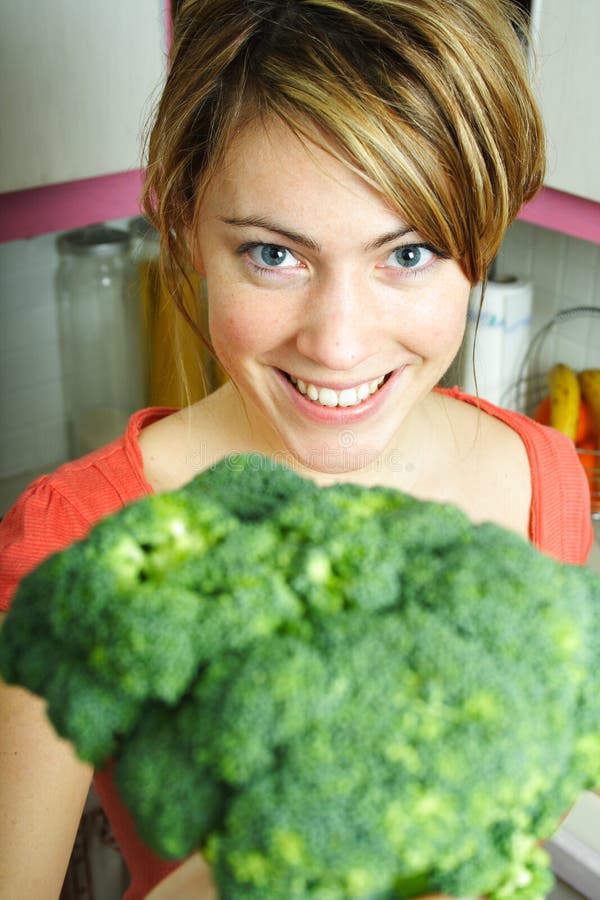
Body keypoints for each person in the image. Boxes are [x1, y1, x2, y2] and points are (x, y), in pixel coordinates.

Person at [0, 1, 593, 898]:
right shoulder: (77, 543)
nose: (339, 345)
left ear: (481, 233)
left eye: (410, 252)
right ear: (188, 223)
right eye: (275, 254)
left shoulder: (542, 478)